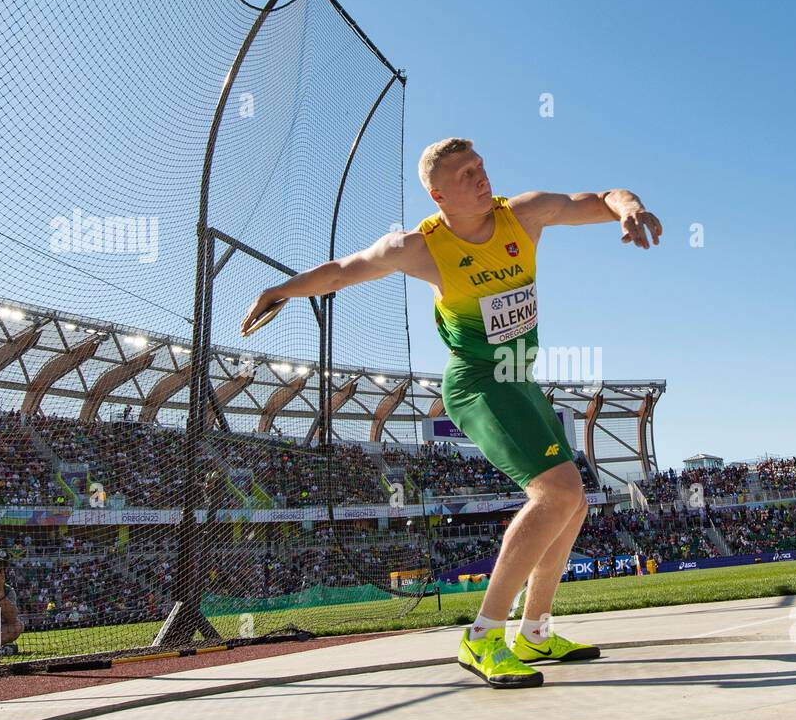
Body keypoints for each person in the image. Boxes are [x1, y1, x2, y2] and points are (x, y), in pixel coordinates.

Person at [242, 138, 661, 688]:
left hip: (518, 378)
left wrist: (627, 208)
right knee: (554, 494)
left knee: (574, 503)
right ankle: (482, 637)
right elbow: (345, 269)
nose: (481, 177)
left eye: (482, 166)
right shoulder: (418, 247)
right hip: (477, 381)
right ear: (439, 193)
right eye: (466, 174)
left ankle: (534, 631)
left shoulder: (526, 213)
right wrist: (282, 289)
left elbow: (600, 197)